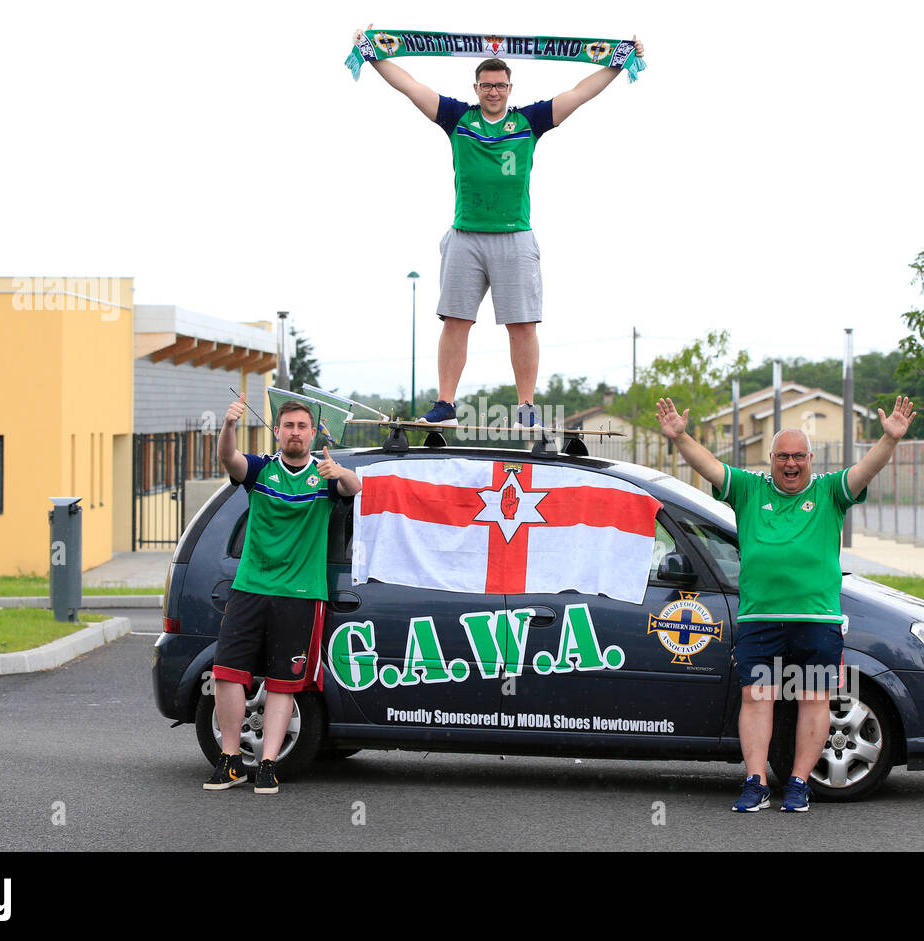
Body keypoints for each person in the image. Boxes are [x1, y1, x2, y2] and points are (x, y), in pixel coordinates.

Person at [355, 26, 645, 429]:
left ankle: (526, 407)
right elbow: (410, 86)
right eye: (487, 85)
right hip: (465, 235)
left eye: (500, 85)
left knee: (522, 325)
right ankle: (445, 404)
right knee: (455, 320)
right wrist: (372, 54)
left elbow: (579, 93)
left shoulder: (530, 120)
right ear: (476, 87)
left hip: (515, 236)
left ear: (510, 87)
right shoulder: (457, 117)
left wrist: (619, 62)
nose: (494, 92)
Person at [656, 395, 918, 813]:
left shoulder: (831, 491)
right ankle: (755, 782)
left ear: (810, 458)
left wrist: (889, 440)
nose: (790, 464)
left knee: (814, 700)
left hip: (816, 619)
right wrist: (681, 437)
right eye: (782, 457)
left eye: (798, 456)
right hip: (761, 618)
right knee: (757, 698)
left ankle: (798, 784)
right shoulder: (748, 489)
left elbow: (867, 470)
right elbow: (708, 465)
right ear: (771, 459)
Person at [206, 394, 361, 794]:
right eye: (288, 426)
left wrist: (339, 471)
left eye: (302, 427)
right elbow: (229, 459)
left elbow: (355, 486)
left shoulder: (325, 477)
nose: (295, 432)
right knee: (226, 673)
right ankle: (230, 759)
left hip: (302, 594)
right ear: (277, 432)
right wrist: (228, 426)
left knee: (283, 682)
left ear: (313, 434)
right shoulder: (260, 470)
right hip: (249, 588)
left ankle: (268, 763)